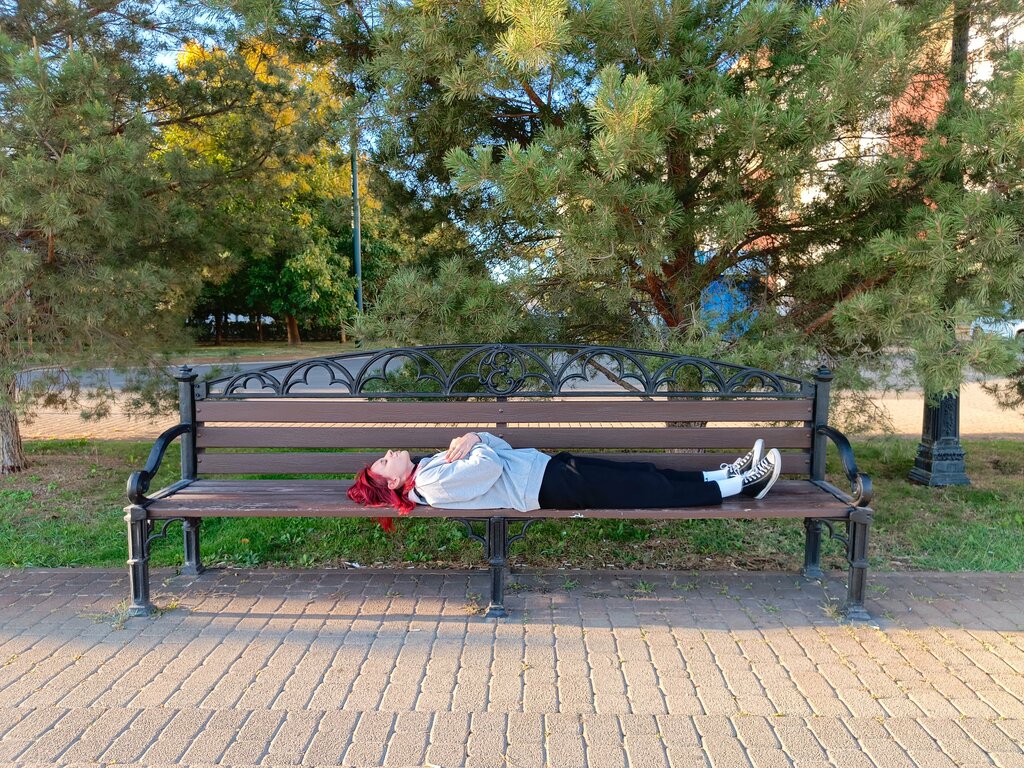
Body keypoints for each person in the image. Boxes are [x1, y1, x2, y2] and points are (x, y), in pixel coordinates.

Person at [347, 432, 782, 524]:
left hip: (547, 469)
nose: (387, 455)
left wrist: (478, 436)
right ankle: (740, 487)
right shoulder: (431, 485)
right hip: (546, 487)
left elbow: (496, 450)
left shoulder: (428, 466)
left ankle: (729, 473)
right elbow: (491, 465)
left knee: (641, 472)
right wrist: (475, 440)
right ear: (389, 484)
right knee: (645, 491)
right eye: (382, 463)